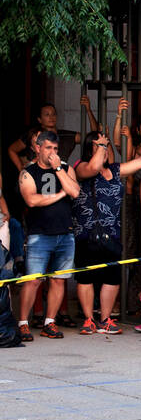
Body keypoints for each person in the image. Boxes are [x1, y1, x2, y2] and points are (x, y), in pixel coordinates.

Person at [71, 125, 141, 335]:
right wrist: (100, 146)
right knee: (86, 278)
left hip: (112, 233)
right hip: (87, 233)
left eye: (106, 148)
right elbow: (93, 166)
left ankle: (105, 319)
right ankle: (89, 319)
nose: (105, 151)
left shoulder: (115, 170)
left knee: (112, 277)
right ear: (91, 149)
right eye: (100, 147)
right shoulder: (81, 167)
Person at [16, 131, 82, 341]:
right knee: (33, 280)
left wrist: (58, 169)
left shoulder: (65, 168)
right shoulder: (28, 173)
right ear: (37, 148)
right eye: (48, 148)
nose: (53, 152)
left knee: (58, 280)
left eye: (55, 149)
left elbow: (75, 192)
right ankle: (23, 323)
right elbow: (32, 200)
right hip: (40, 234)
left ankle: (49, 322)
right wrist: (59, 194)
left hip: (65, 233)